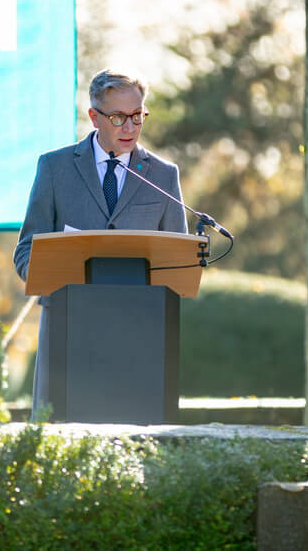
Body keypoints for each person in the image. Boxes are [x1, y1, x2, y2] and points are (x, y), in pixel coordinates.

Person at [13, 68, 187, 417]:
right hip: (68, 332)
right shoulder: (55, 168)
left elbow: (180, 261)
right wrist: (54, 270)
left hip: (139, 339)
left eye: (137, 116)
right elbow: (25, 253)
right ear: (94, 117)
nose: (130, 128)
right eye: (118, 117)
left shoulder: (163, 175)